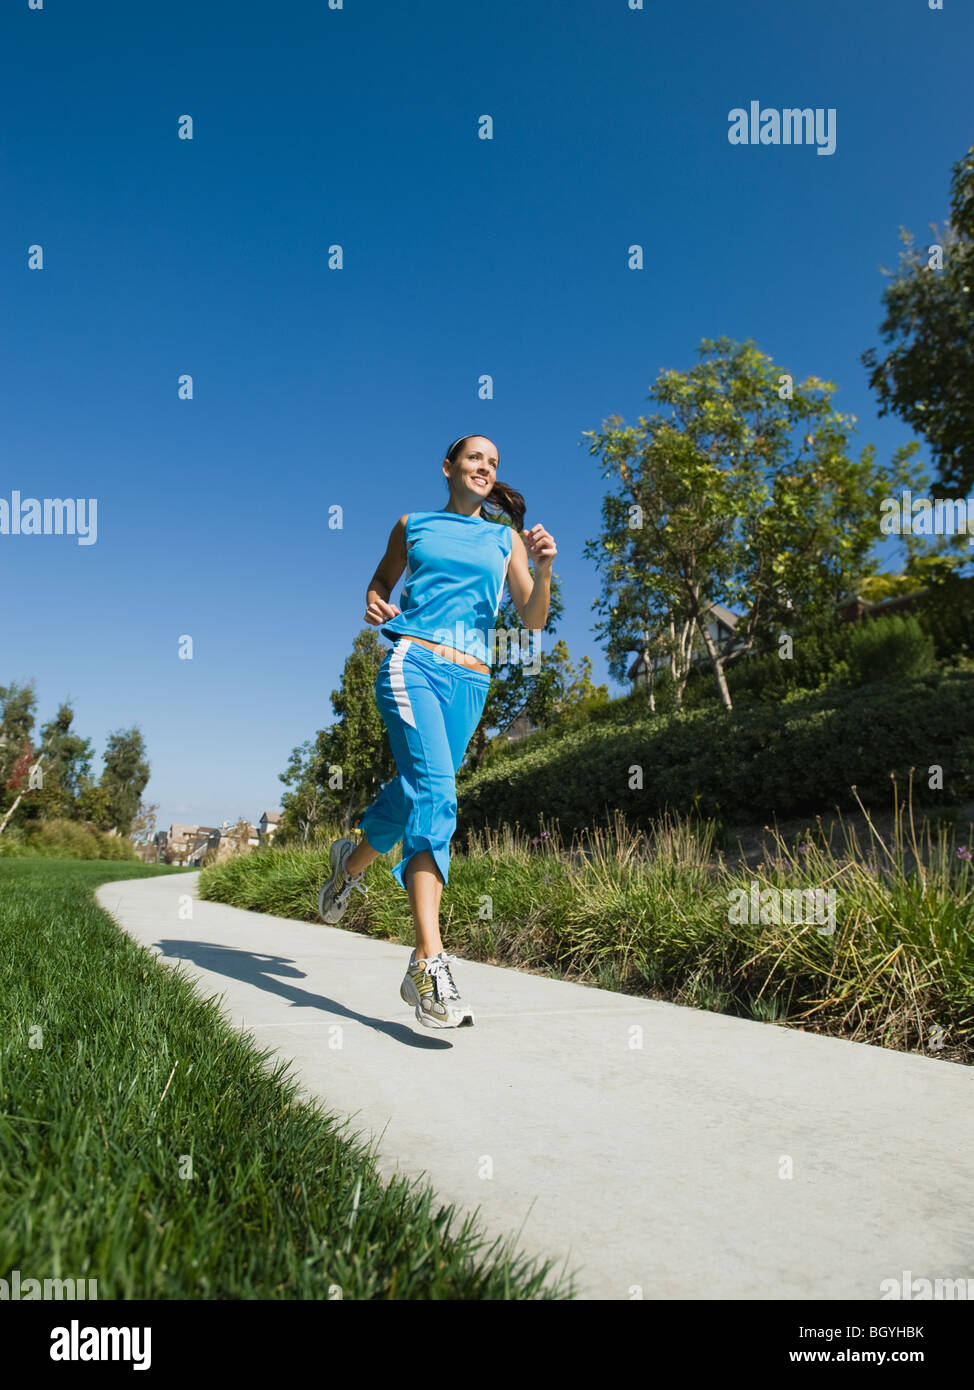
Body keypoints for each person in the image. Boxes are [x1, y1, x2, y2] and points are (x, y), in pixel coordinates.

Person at [316, 434, 557, 1029]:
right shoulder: (413, 525)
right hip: (414, 663)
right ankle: (429, 961)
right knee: (437, 795)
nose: (485, 467)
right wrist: (376, 603)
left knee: (414, 792)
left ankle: (349, 865)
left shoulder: (504, 539)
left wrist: (544, 569)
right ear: (448, 467)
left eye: (494, 462)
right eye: (475, 458)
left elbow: (532, 619)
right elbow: (380, 583)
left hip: (472, 682)